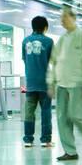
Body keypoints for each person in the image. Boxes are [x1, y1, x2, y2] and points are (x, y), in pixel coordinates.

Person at [47, 4, 82, 161]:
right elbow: (53, 62)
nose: (62, 20)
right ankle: (70, 151)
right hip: (61, 84)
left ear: (74, 18)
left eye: (65, 17)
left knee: (76, 116)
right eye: (61, 18)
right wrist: (51, 83)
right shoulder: (61, 40)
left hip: (77, 83)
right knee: (62, 118)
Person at [22, 15, 53, 148]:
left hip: (30, 82)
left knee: (29, 112)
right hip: (44, 82)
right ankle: (45, 140)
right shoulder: (49, 41)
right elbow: (53, 60)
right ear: (45, 27)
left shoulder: (25, 41)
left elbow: (24, 59)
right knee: (46, 111)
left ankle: (28, 139)